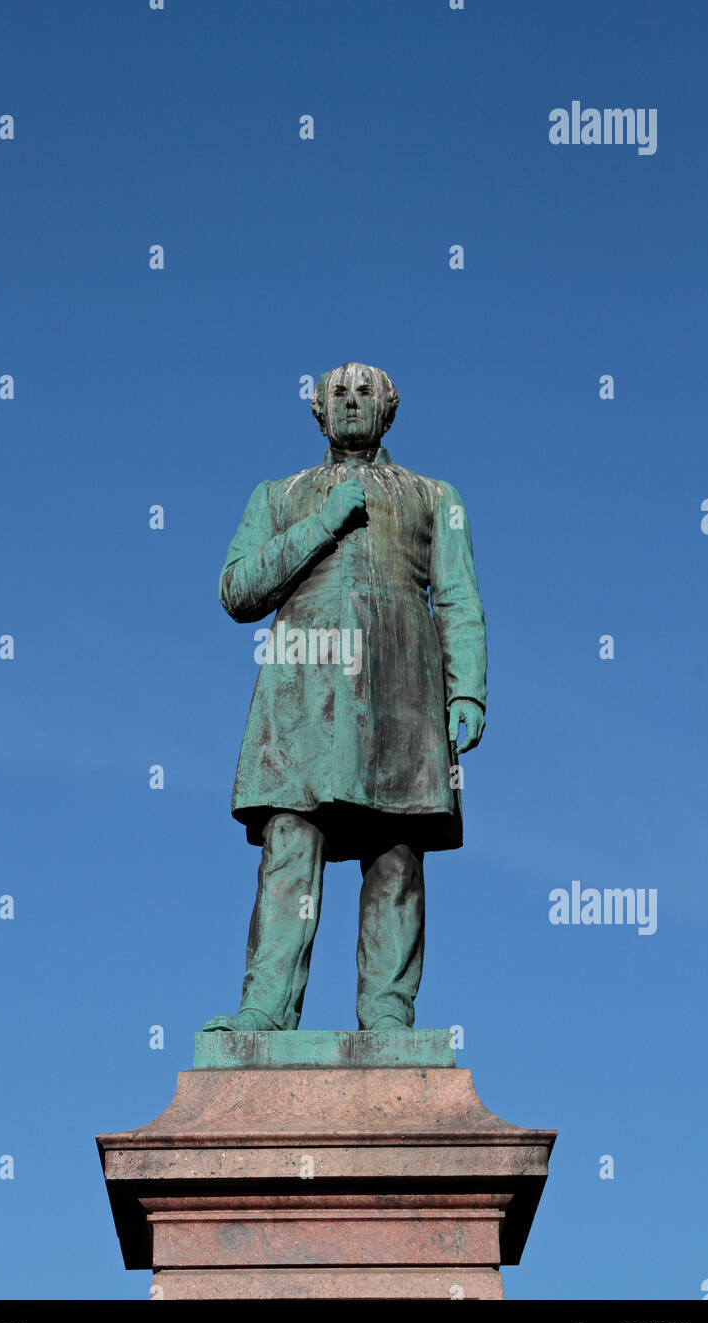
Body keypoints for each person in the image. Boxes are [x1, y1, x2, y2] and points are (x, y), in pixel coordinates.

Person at [203, 362, 486, 1032]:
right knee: (290, 843)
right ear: (316, 410)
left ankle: (389, 1014)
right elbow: (238, 589)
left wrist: (467, 688)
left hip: (403, 687)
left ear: (389, 409)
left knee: (396, 850)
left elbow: (458, 597)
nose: (352, 401)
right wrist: (323, 523)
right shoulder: (277, 496)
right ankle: (266, 1007)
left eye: (366, 393)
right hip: (302, 695)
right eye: (338, 392)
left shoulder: (433, 495)